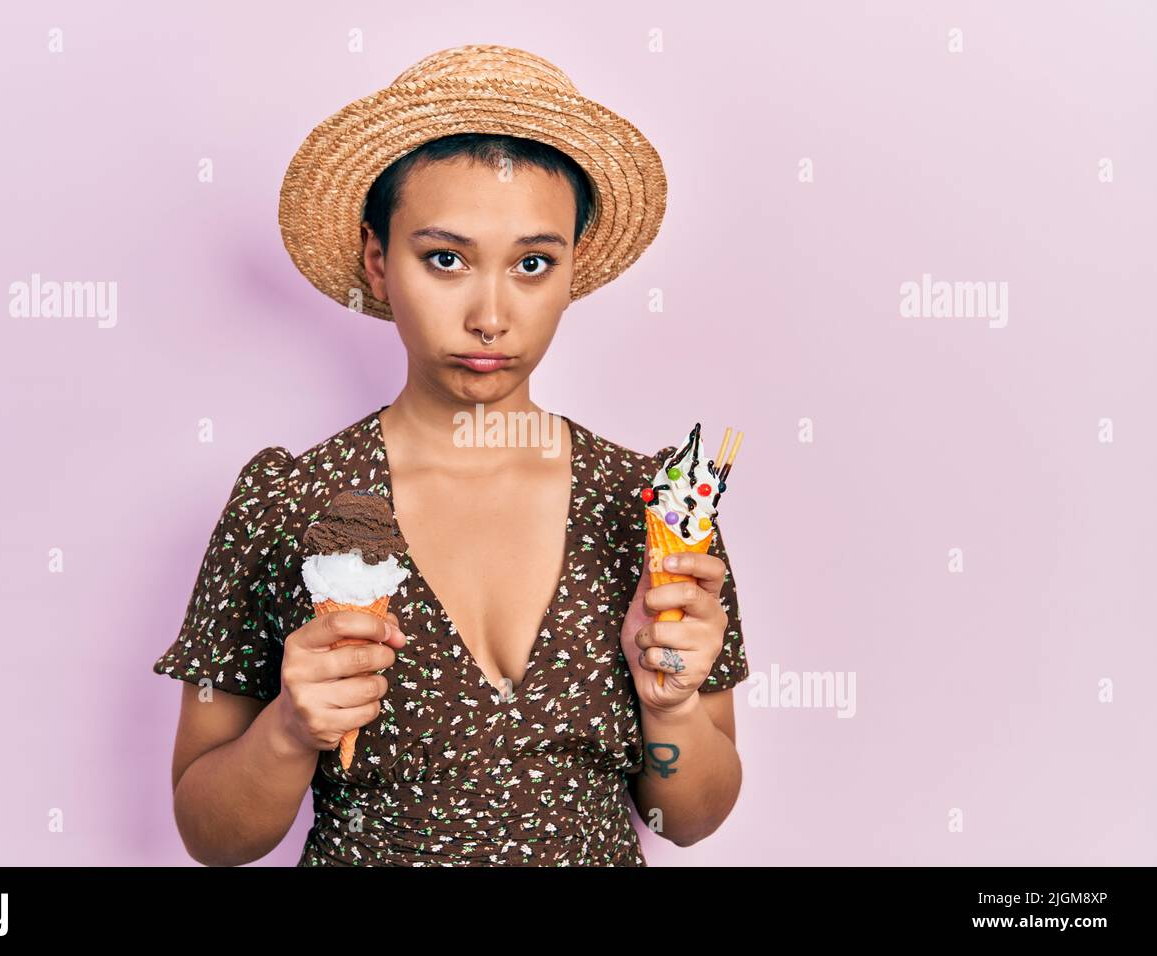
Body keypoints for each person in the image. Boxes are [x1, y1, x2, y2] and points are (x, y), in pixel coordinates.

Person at [151, 45, 749, 867]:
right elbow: (210, 836)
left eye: (533, 264)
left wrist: (672, 707)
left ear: (572, 271)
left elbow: (689, 819)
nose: (491, 316)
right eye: (445, 259)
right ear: (377, 261)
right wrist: (290, 730)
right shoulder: (291, 499)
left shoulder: (655, 510)